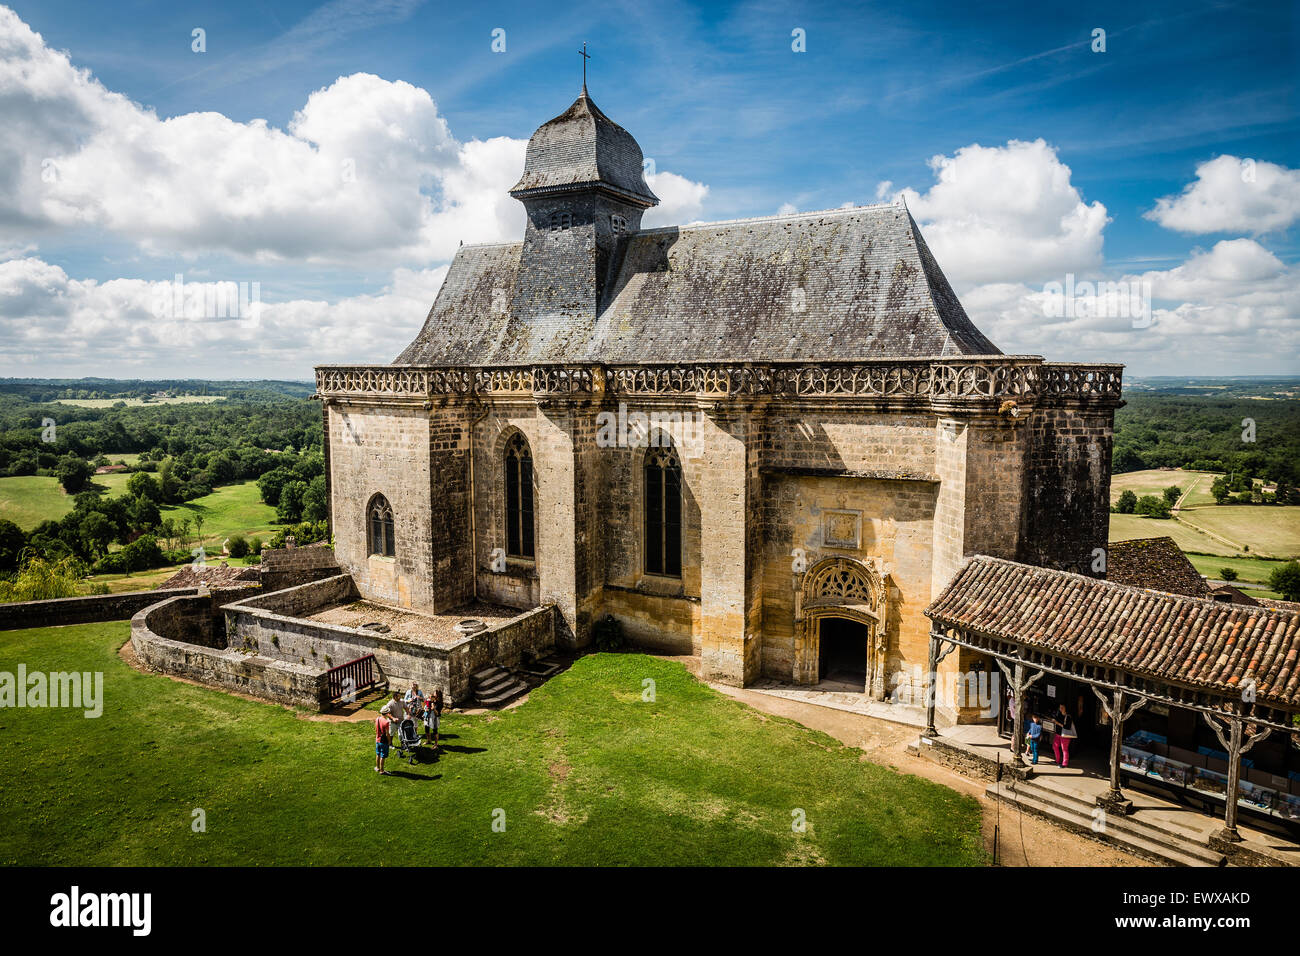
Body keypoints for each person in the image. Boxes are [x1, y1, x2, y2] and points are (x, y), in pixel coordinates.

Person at [1053, 703, 1076, 767]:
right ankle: (1057, 760)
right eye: (1060, 707)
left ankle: (1064, 763)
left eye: (1062, 707)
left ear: (1066, 708)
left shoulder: (1068, 716)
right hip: (1058, 733)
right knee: (1055, 746)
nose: (1061, 709)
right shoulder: (1058, 714)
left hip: (1065, 735)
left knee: (1064, 749)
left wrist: (1057, 723)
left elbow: (1068, 727)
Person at [375, 703, 394, 775]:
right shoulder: (386, 722)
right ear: (387, 713)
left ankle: (377, 767)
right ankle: (382, 770)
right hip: (383, 741)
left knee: (378, 754)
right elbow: (387, 734)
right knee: (383, 756)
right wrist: (389, 741)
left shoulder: (377, 719)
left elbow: (376, 729)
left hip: (377, 739)